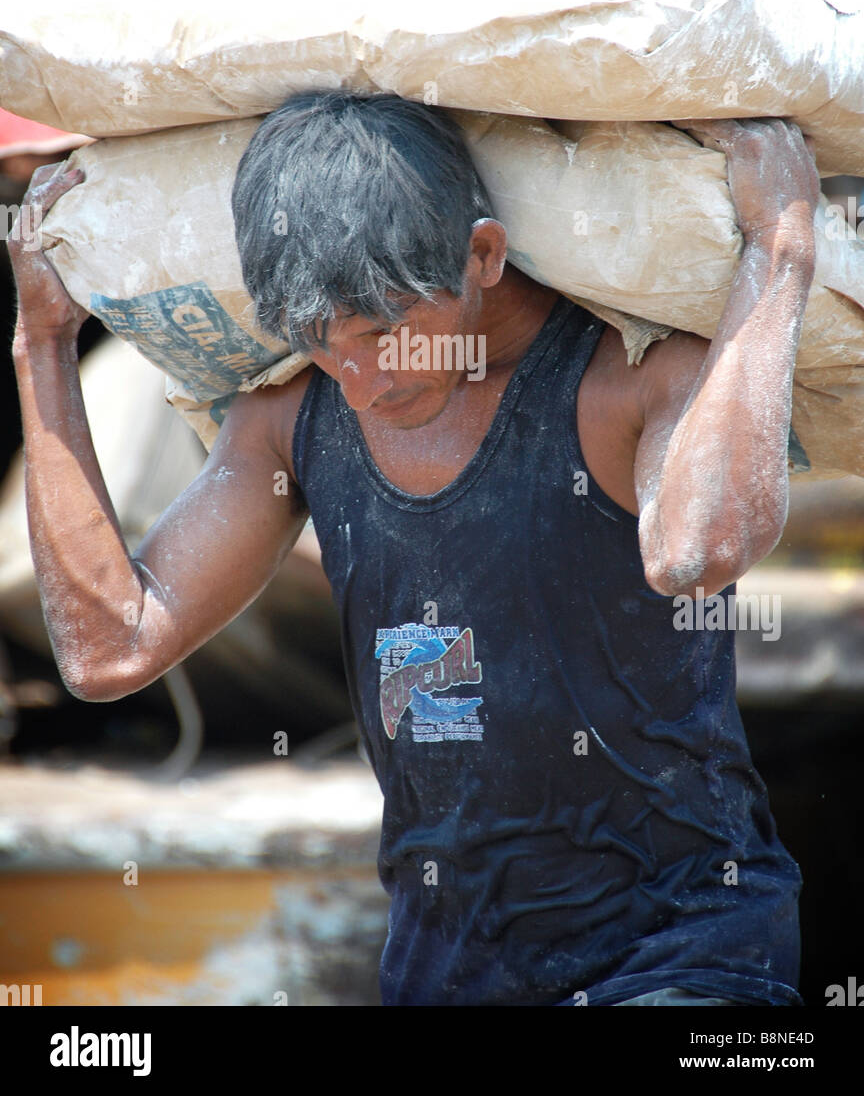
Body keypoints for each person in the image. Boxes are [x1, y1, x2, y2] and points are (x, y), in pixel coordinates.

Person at [7, 90, 818, 1007]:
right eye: (322, 342)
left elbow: (697, 554)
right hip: (445, 967)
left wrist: (779, 252)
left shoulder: (622, 381)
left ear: (482, 254)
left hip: (679, 951)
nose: (361, 381)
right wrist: (41, 343)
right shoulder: (290, 422)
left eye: (387, 331)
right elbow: (109, 648)